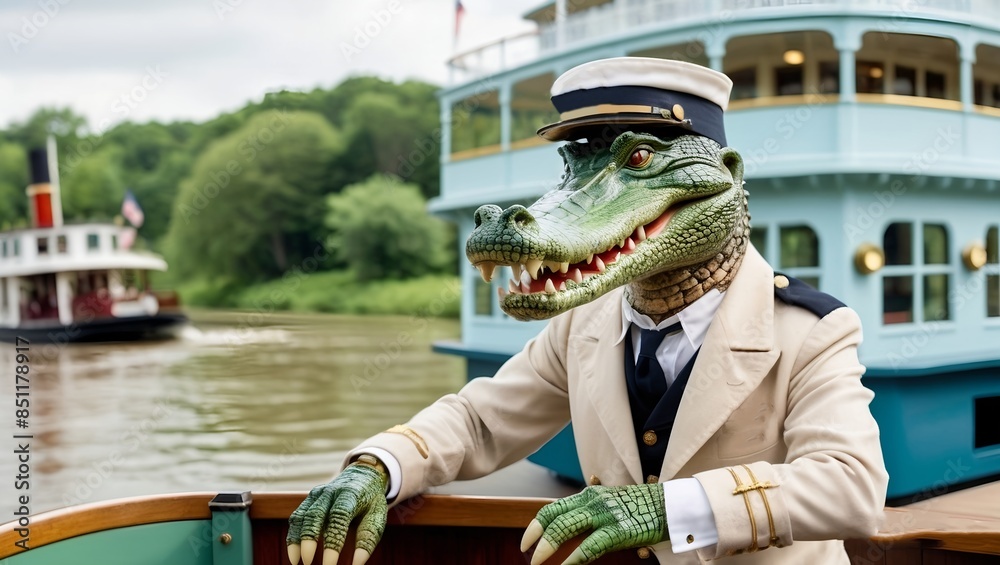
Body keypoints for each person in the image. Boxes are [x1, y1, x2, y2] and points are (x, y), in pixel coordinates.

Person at [287, 57, 888, 565]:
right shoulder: (585, 322)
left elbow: (853, 487)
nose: (584, 188)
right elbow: (481, 423)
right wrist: (376, 466)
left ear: (726, 177)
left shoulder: (813, 330)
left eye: (638, 161)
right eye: (579, 165)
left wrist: (662, 507)